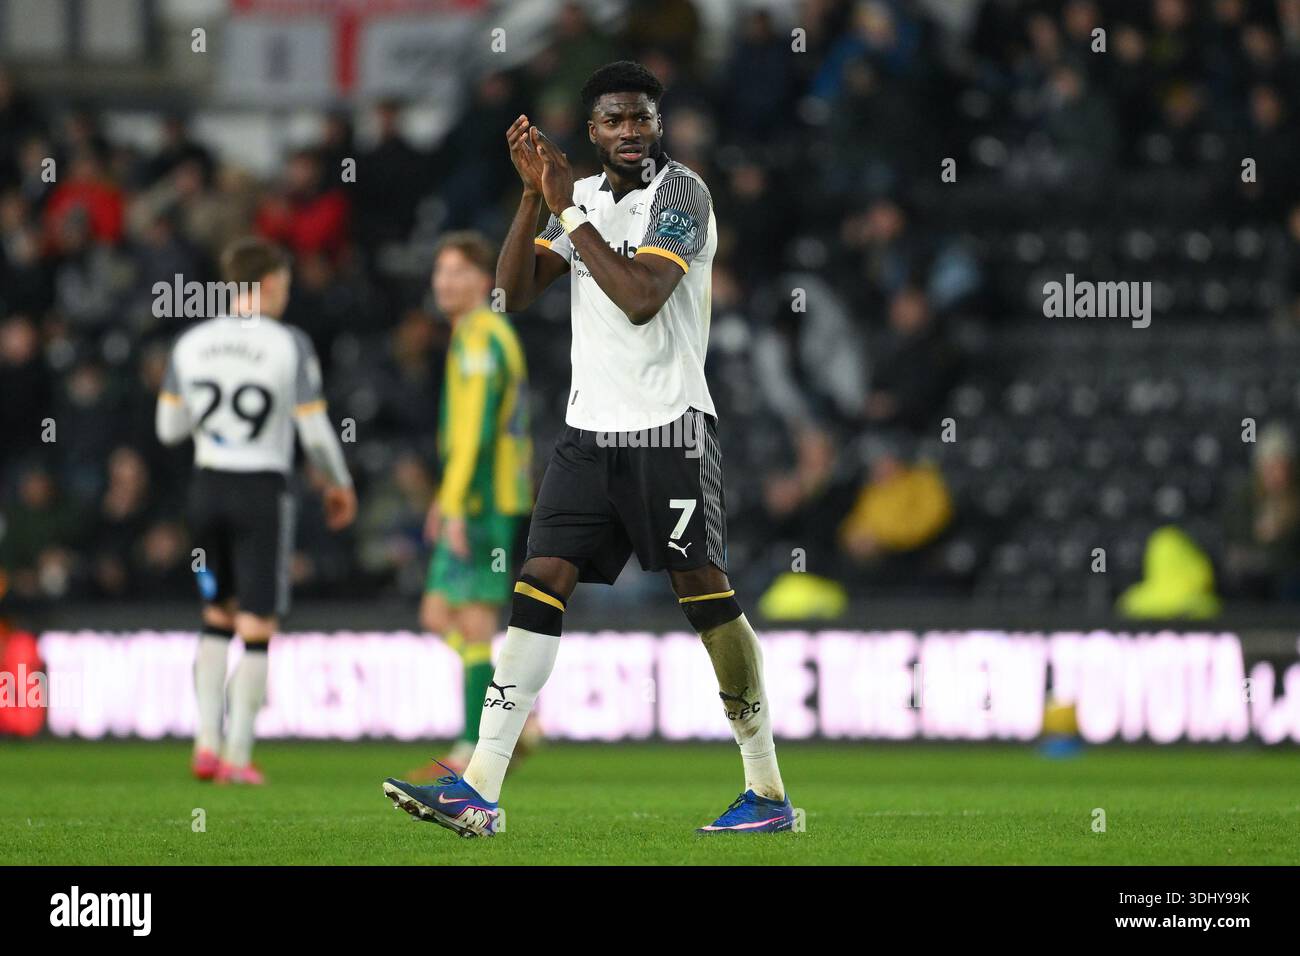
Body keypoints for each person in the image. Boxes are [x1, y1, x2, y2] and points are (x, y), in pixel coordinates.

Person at [383, 61, 794, 837]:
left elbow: (642, 299)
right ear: (592, 131)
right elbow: (506, 296)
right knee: (538, 586)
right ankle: (479, 787)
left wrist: (568, 212)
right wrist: (534, 196)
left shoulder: (684, 195)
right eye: (613, 120)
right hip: (586, 437)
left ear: (657, 125)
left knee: (708, 604)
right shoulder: (585, 200)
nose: (630, 131)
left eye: (642, 117)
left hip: (669, 430)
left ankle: (767, 789)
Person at [156, 237, 356, 784]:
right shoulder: (287, 343)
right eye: (284, 287)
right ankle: (238, 756)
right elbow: (314, 430)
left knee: (215, 616)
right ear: (267, 285)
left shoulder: (191, 342)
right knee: (258, 624)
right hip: (261, 491)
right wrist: (339, 483)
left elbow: (168, 429)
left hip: (206, 490)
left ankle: (204, 742)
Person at [408, 231, 536, 779]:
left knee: (476, 623)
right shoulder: (470, 335)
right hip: (469, 494)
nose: (445, 282)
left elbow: (479, 433)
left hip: (485, 498)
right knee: (437, 615)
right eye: (440, 271)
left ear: (484, 281)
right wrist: (445, 498)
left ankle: (470, 749)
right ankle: (519, 715)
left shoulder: (484, 337)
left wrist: (458, 503)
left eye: (458, 271)